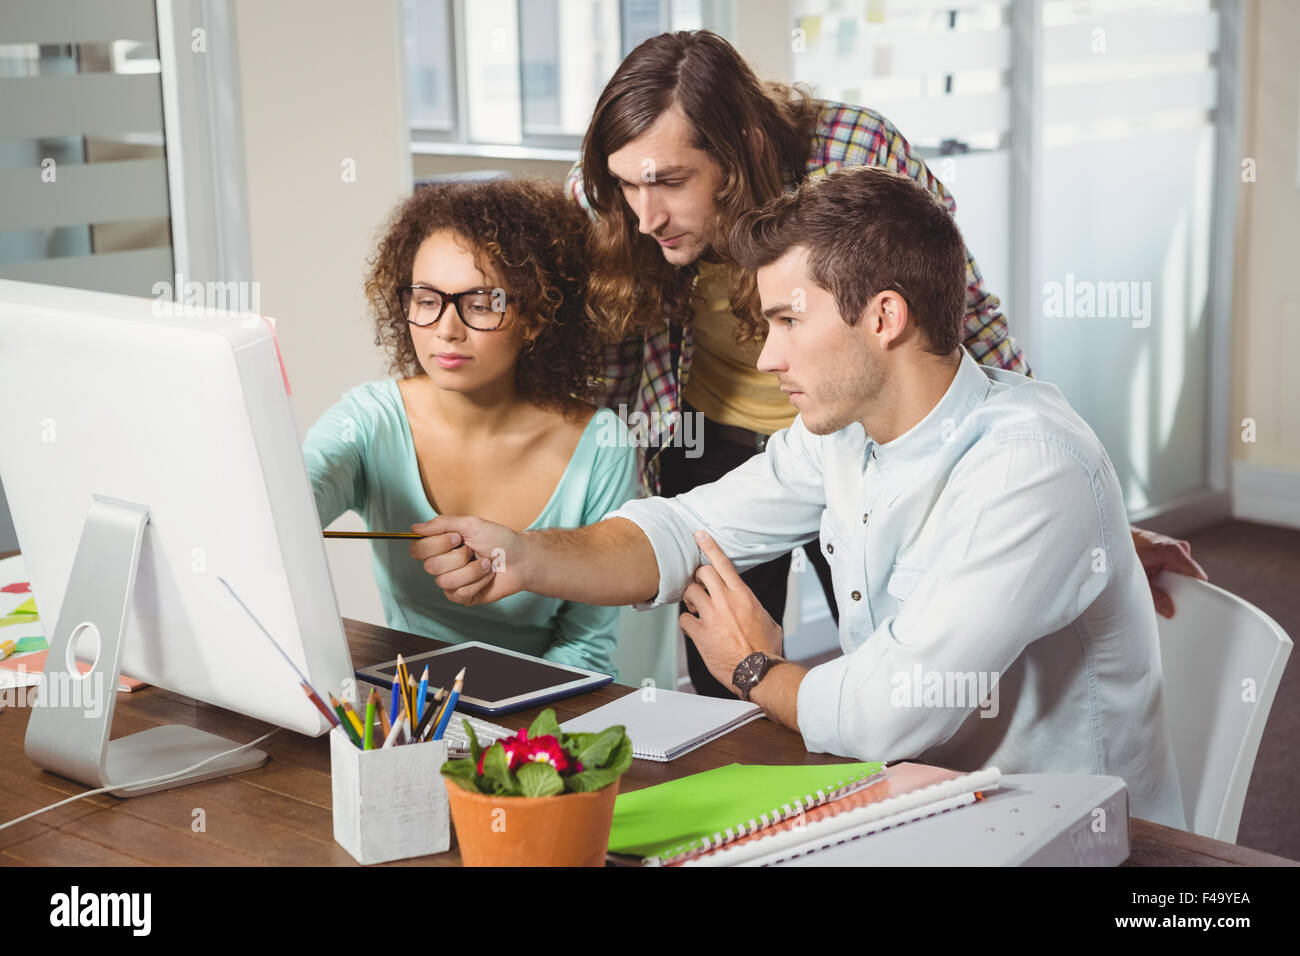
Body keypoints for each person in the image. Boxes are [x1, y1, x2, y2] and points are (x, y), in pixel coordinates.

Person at [408, 167, 1186, 829]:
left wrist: (754, 668)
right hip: (919, 801)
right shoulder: (842, 433)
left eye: (787, 320)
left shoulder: (1029, 468)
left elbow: (892, 712)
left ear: (884, 316)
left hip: (1061, 831)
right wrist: (524, 553)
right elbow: (684, 528)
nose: (769, 355)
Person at [567, 29, 1204, 697]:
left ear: (741, 150)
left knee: (894, 658)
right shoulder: (619, 202)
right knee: (724, 669)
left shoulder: (852, 152)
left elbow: (959, 318)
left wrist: (1076, 503)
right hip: (717, 440)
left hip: (855, 440)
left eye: (670, 182)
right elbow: (609, 366)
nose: (644, 216)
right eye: (626, 185)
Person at [303, 178, 637, 677]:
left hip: (539, 716)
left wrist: (505, 734)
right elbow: (285, 507)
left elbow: (584, 648)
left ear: (535, 318)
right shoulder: (368, 421)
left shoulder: (602, 446)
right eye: (426, 299)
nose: (446, 329)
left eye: (481, 304)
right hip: (410, 707)